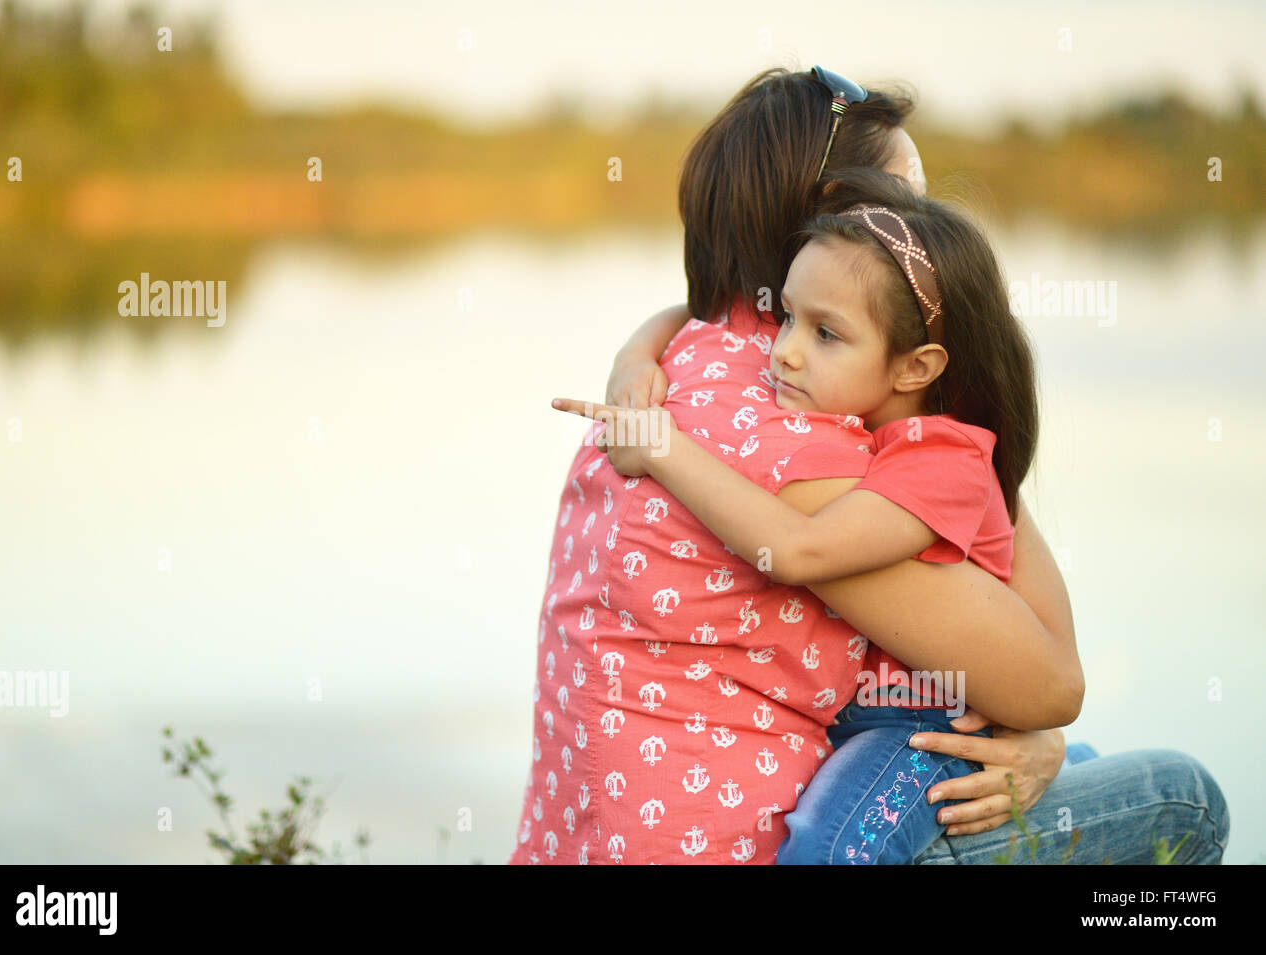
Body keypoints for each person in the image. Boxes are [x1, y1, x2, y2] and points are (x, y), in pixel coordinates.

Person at [514, 66, 1226, 863]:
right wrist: (961, 409)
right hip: (750, 849)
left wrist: (636, 343)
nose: (927, 225)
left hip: (579, 842)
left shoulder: (682, 365)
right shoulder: (806, 435)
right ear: (846, 224)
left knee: (1071, 765)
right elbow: (1050, 684)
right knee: (1184, 798)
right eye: (910, 201)